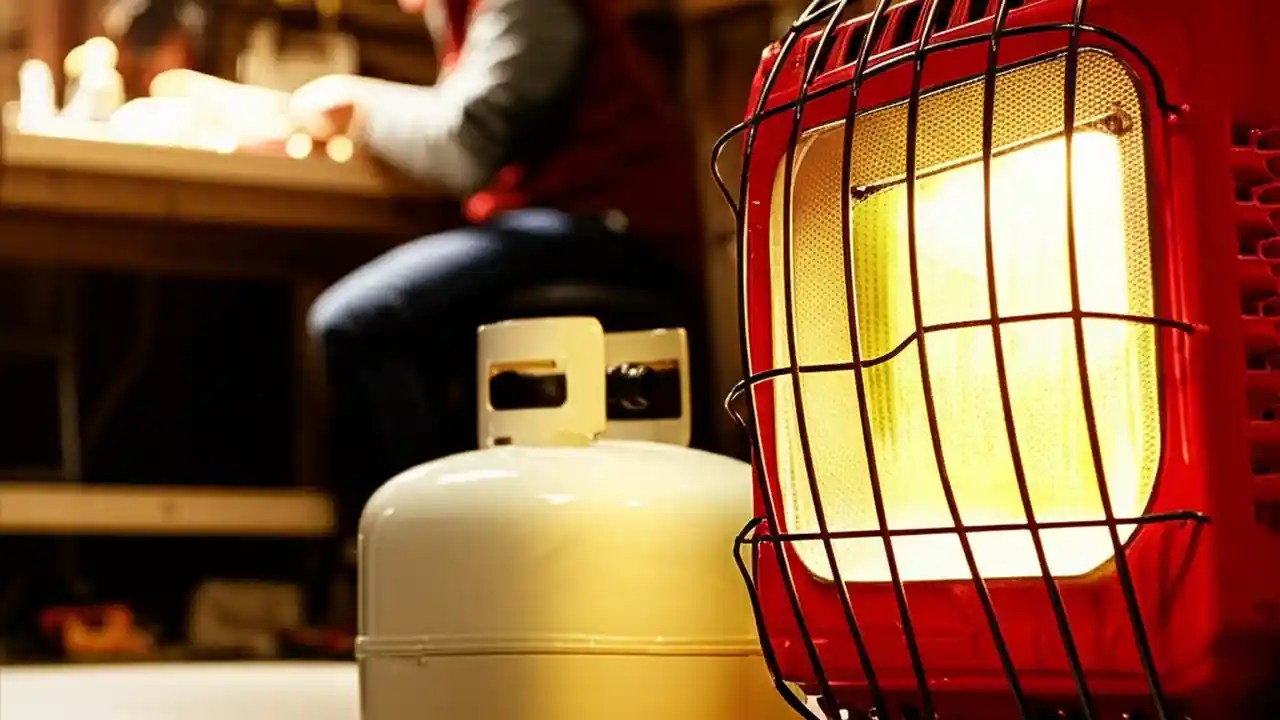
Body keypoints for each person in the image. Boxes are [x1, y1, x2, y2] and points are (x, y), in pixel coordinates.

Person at [291, 0, 704, 538]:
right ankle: (444, 554)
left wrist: (359, 109)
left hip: (611, 228)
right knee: (405, 324)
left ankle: (420, 558)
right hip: (563, 223)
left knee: (357, 321)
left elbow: (467, 144)